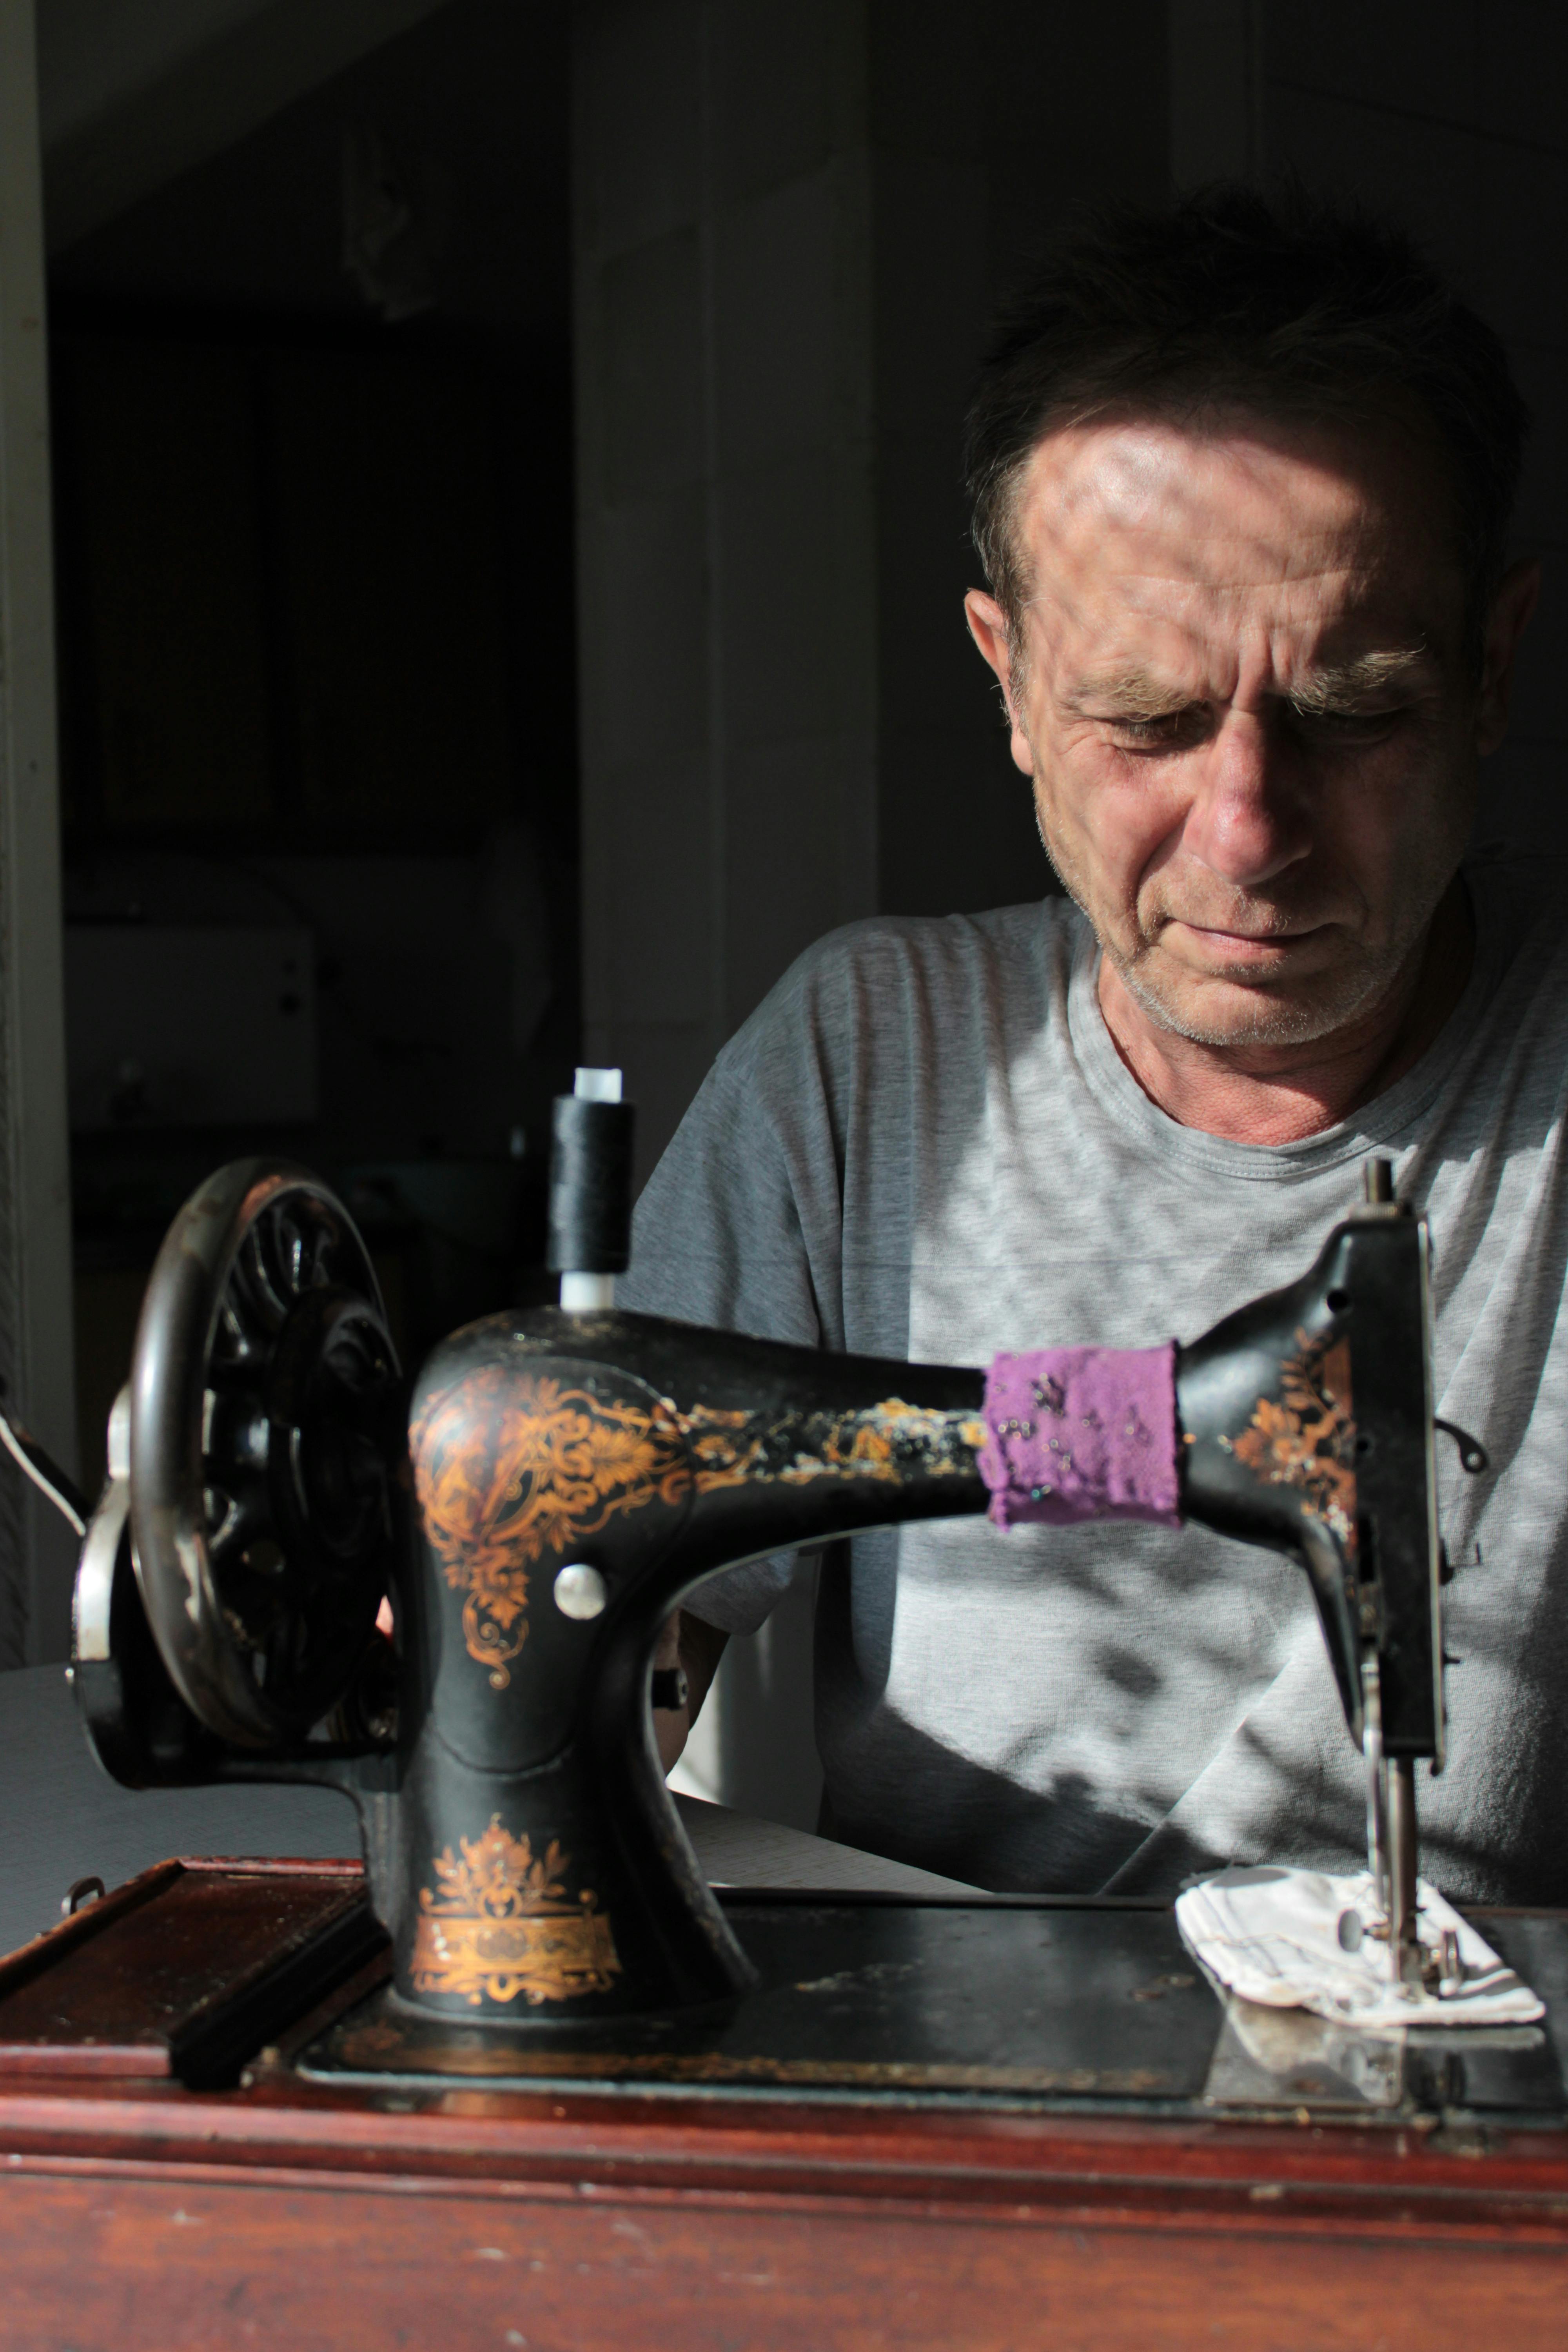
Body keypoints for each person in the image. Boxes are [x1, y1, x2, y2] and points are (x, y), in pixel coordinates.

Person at [628, 185, 1567, 1904]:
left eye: (1355, 712)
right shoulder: (856, 1070)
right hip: (939, 2081)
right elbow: (626, 1610)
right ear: (1007, 680)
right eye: (1144, 719)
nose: (1246, 836)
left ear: (1492, 668)